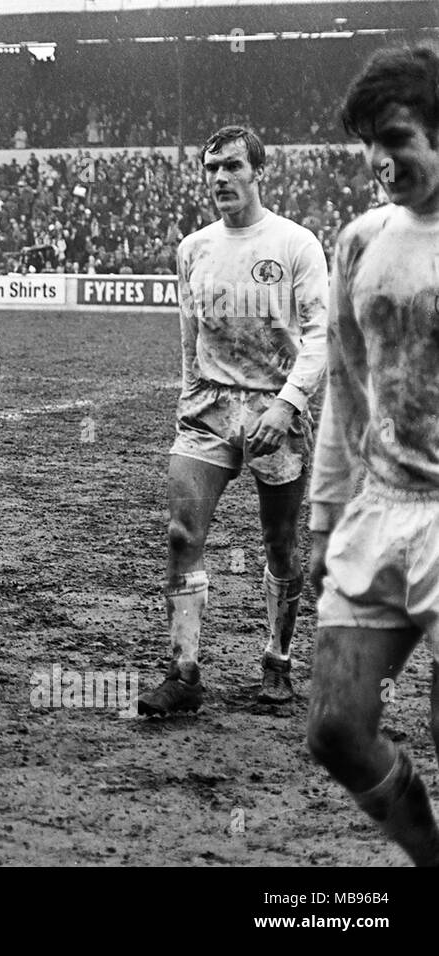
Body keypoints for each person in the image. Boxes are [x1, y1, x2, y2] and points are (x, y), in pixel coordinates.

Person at [137, 126, 329, 716]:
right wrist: (189, 396)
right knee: (181, 533)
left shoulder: (296, 244)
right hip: (209, 410)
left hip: (277, 407)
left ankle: (277, 656)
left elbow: (321, 336)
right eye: (210, 167)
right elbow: (189, 336)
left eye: (231, 166)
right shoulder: (193, 248)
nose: (219, 177)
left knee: (278, 544)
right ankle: (185, 672)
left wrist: (288, 403)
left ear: (257, 172)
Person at [306, 43, 439, 865]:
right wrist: (325, 520)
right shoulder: (359, 242)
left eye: (395, 138)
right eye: (367, 144)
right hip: (383, 505)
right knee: (335, 730)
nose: (378, 161)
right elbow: (346, 395)